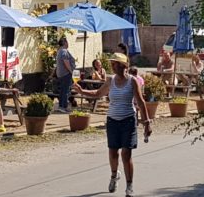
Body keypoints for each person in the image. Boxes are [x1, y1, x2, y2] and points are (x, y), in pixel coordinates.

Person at [73, 53, 152, 197]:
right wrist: (81, 91)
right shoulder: (110, 80)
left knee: (126, 154)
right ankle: (114, 176)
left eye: (115, 64)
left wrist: (147, 123)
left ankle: (129, 186)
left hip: (128, 120)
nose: (112, 66)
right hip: (113, 121)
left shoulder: (132, 81)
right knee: (113, 152)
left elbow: (140, 102)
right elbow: (98, 93)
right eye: (112, 64)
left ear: (123, 66)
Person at [54, 37, 76, 113]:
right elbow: (66, 63)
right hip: (65, 74)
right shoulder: (64, 51)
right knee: (65, 91)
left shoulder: (59, 51)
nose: (68, 44)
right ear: (65, 43)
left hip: (61, 74)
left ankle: (62, 106)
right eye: (67, 42)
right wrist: (71, 71)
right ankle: (63, 106)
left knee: (63, 90)